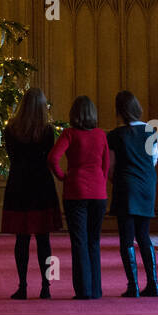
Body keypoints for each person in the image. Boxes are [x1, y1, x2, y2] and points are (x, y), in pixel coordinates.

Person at [0, 87, 61, 299]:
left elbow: (12, 157)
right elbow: (48, 157)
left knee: (22, 239)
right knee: (44, 239)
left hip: (19, 185)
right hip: (41, 186)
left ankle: (23, 286)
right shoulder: (46, 131)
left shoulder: (11, 130)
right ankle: (46, 286)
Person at [49, 96, 111, 299]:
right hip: (98, 193)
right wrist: (100, 182)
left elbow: (53, 158)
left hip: (76, 191)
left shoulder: (69, 134)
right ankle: (96, 289)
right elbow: (106, 165)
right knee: (94, 241)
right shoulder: (101, 135)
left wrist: (63, 177)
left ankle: (84, 290)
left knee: (79, 242)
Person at [107, 91, 158, 297]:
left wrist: (118, 181)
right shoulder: (151, 130)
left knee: (127, 239)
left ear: (119, 111)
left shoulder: (115, 135)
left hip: (126, 187)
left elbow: (111, 167)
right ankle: (153, 284)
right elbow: (154, 160)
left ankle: (133, 286)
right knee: (144, 236)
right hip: (147, 186)